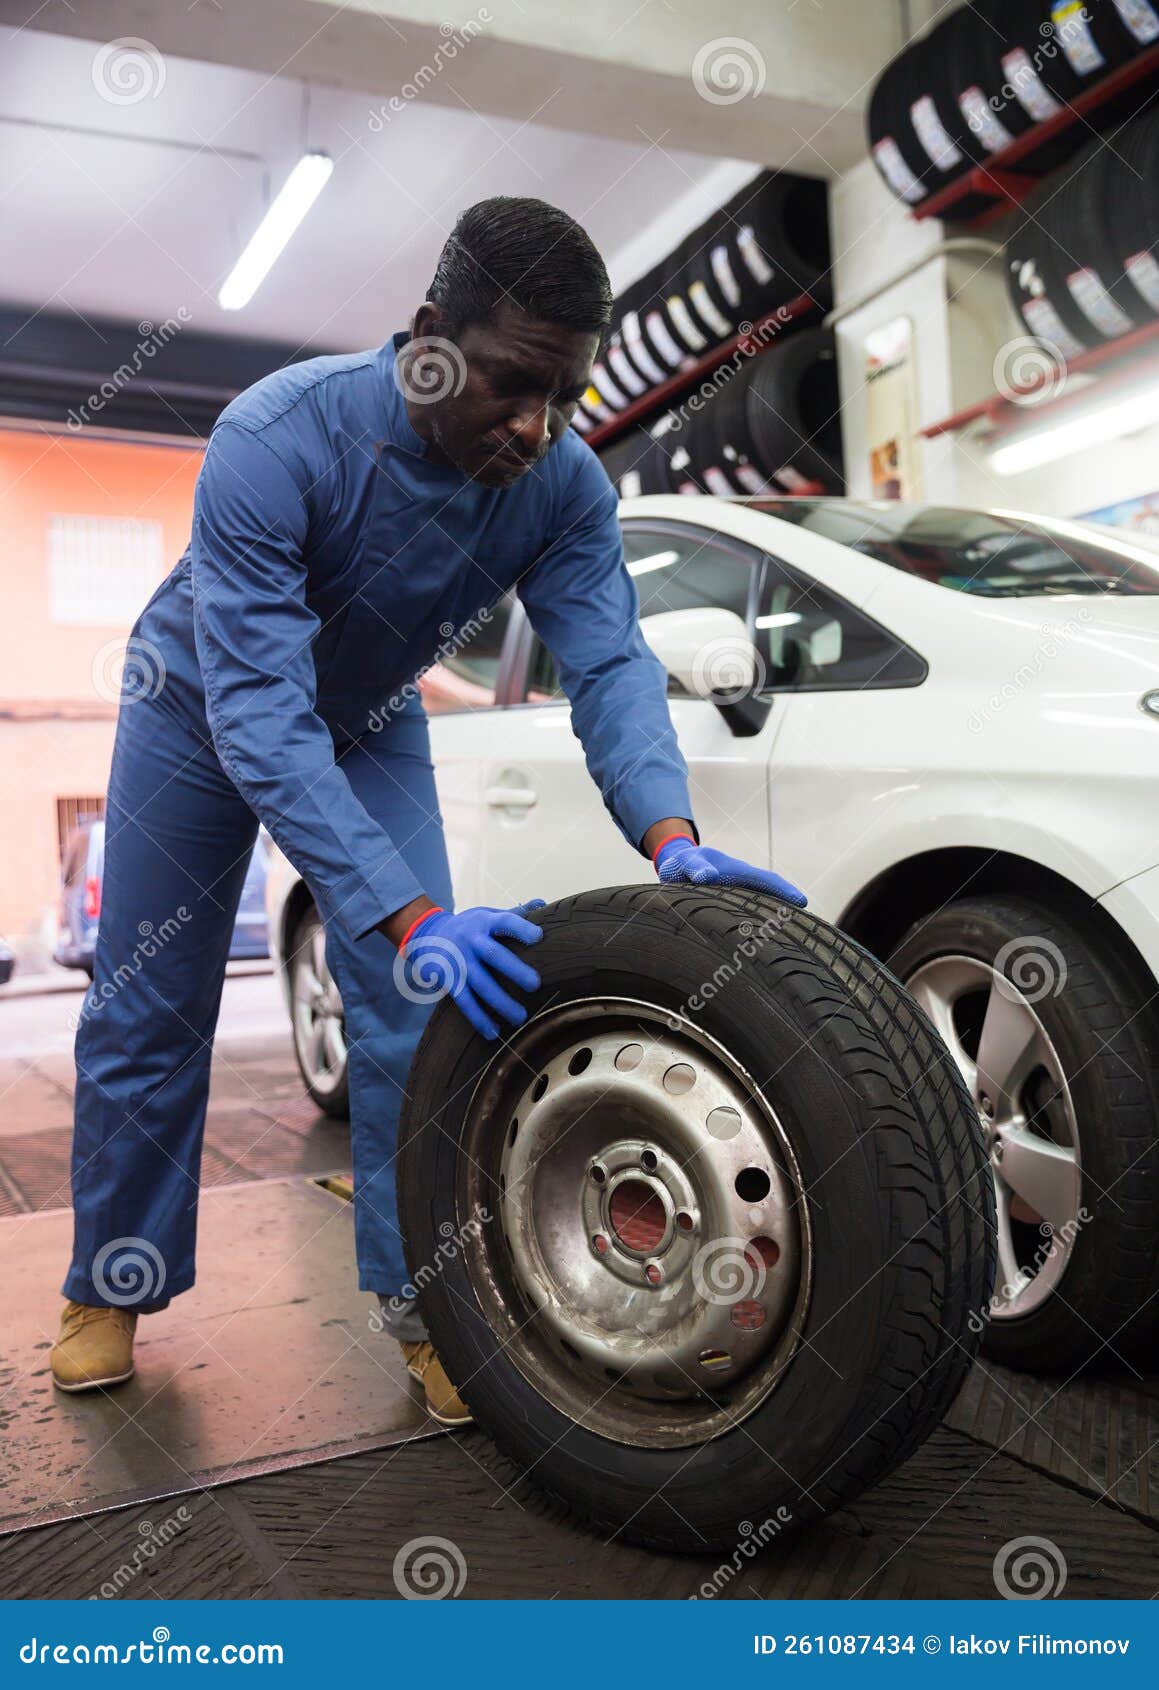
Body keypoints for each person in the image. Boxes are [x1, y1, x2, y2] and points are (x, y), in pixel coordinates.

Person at [50, 196, 805, 1425]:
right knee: (151, 996)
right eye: (509, 384)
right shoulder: (274, 436)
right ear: (427, 337)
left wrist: (670, 834)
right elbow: (257, 712)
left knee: (416, 1004)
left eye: (561, 395)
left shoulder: (558, 484)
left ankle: (426, 1308)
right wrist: (402, 909)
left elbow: (608, 663)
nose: (534, 424)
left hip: (367, 709)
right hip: (200, 701)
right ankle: (109, 1280)